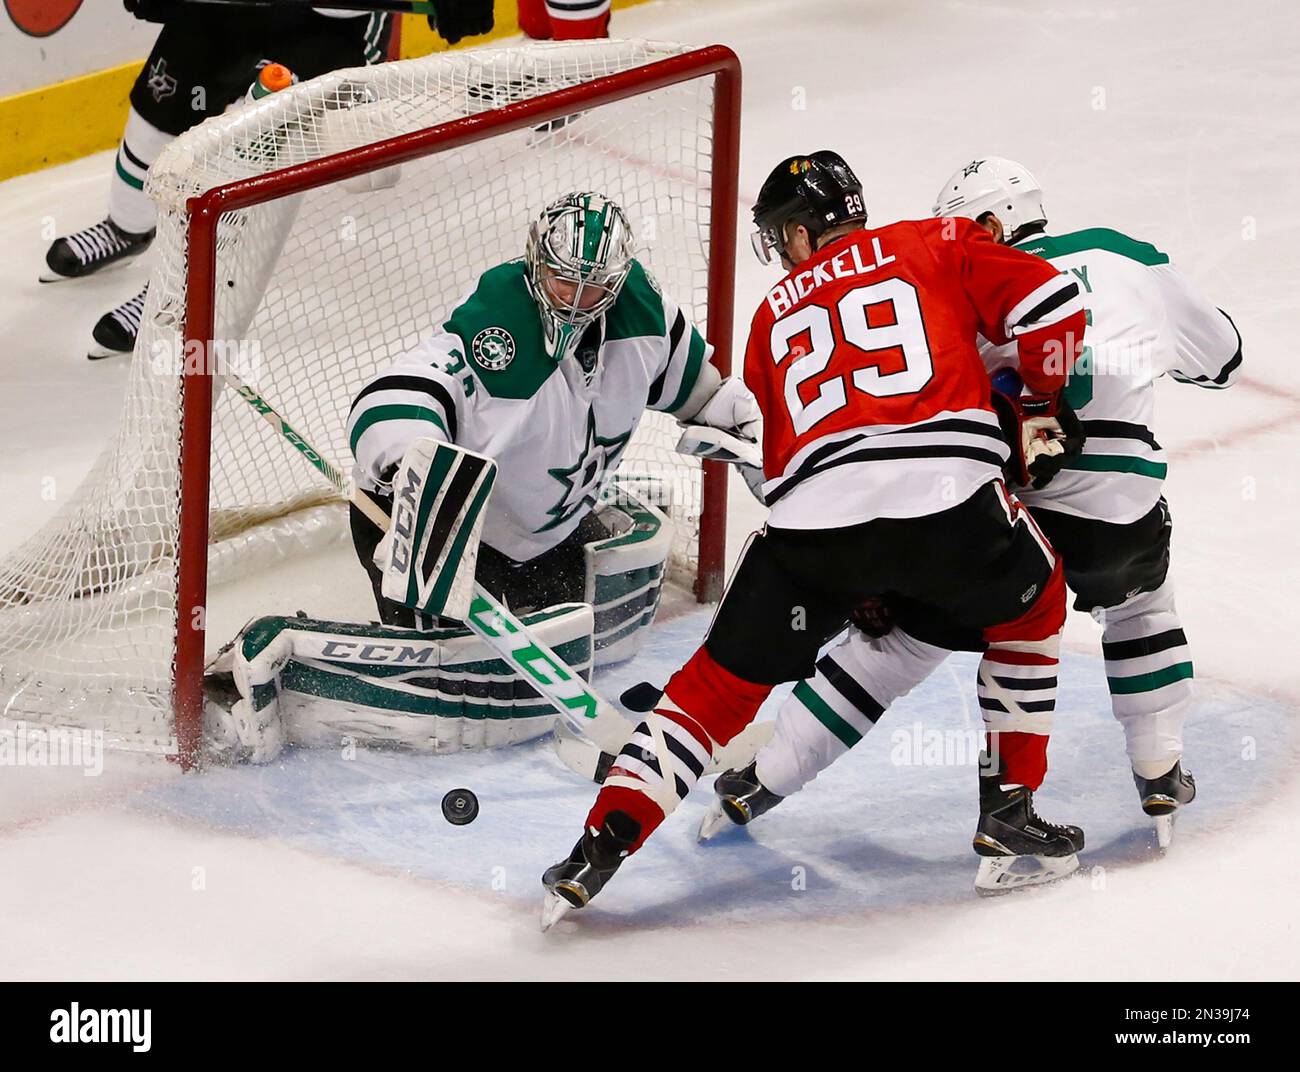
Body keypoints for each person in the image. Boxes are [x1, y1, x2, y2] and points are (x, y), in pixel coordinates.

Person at [540, 151, 1091, 923]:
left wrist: (857, 578)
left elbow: (784, 459)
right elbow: (1054, 303)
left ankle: (596, 846)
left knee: (711, 690)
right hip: (949, 505)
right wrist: (1039, 403)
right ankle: (1009, 810)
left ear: (799, 235)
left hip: (810, 533)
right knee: (1036, 607)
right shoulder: (930, 240)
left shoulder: (770, 316)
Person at [708, 158, 1242, 850]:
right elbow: (1224, 358)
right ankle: (1160, 770)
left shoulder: (950, 275)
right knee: (1141, 600)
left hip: (1000, 510)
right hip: (1120, 509)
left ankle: (765, 779)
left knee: (898, 644)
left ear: (989, 225)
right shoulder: (1123, 255)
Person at [346, 190, 758, 638]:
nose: (576, 300)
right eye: (564, 280)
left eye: (595, 285)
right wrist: (411, 483)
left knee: (589, 634)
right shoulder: (497, 326)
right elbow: (394, 394)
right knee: (452, 666)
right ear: (536, 262)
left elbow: (702, 394)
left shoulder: (643, 315)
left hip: (543, 530)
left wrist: (754, 434)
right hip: (438, 527)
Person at [41, 1, 488, 359]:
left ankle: (177, 290)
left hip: (323, 27)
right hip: (221, 9)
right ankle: (125, 227)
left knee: (239, 147)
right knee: (156, 111)